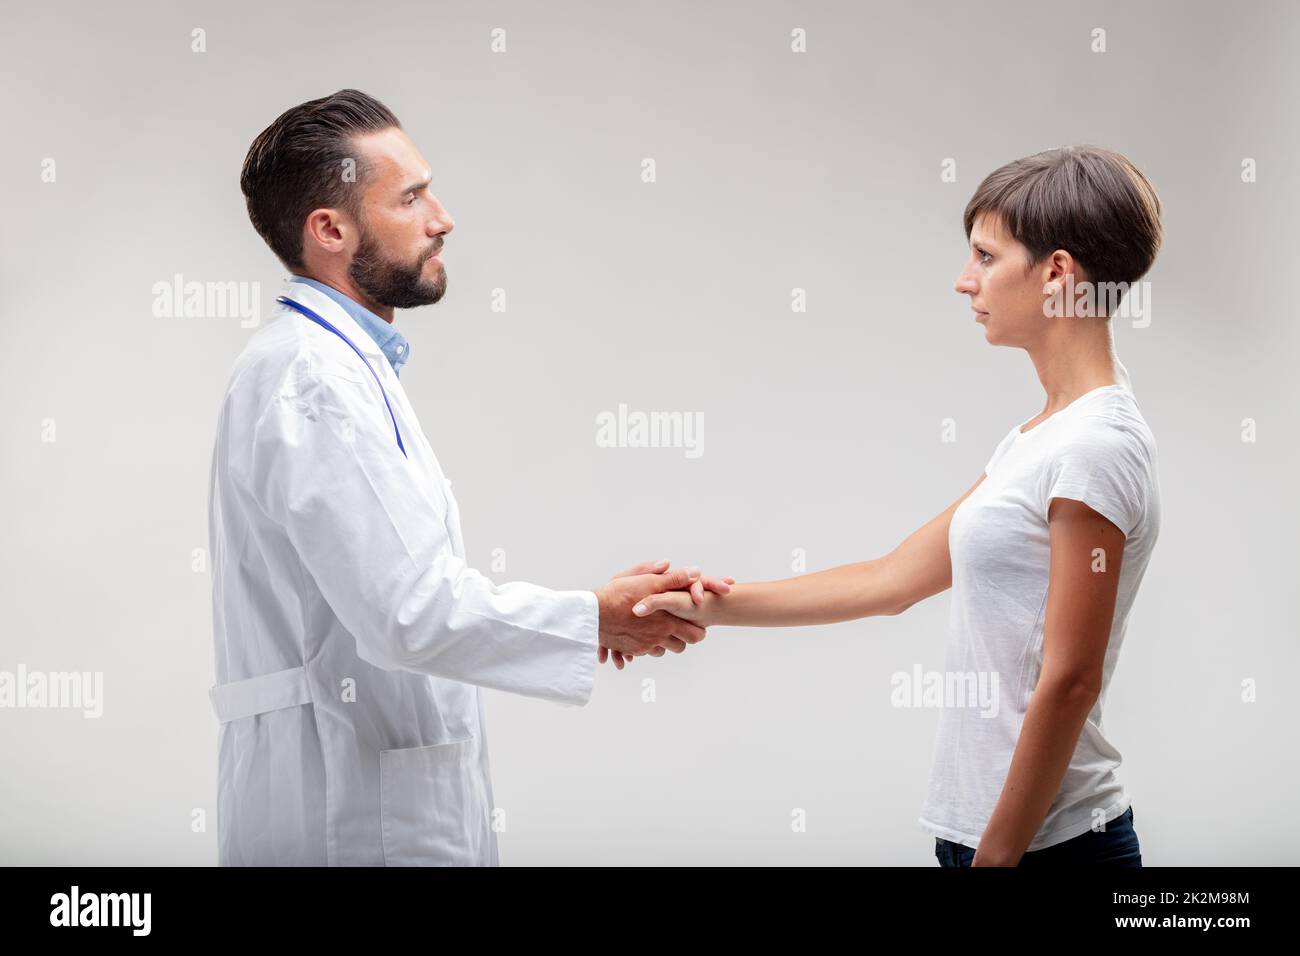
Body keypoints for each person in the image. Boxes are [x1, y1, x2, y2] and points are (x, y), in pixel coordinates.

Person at [208, 89, 729, 866]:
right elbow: (409, 611)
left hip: (368, 797)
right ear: (330, 229)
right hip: (345, 819)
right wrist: (596, 618)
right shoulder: (313, 377)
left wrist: (596, 618)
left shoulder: (336, 368)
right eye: (412, 197)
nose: (442, 218)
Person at [629, 146, 1163, 867]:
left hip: (1049, 849)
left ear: (1058, 274)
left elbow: (1070, 679)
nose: (963, 280)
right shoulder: (1042, 438)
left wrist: (998, 858)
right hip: (979, 838)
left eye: (985, 256)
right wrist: (708, 604)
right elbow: (891, 580)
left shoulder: (1095, 445)